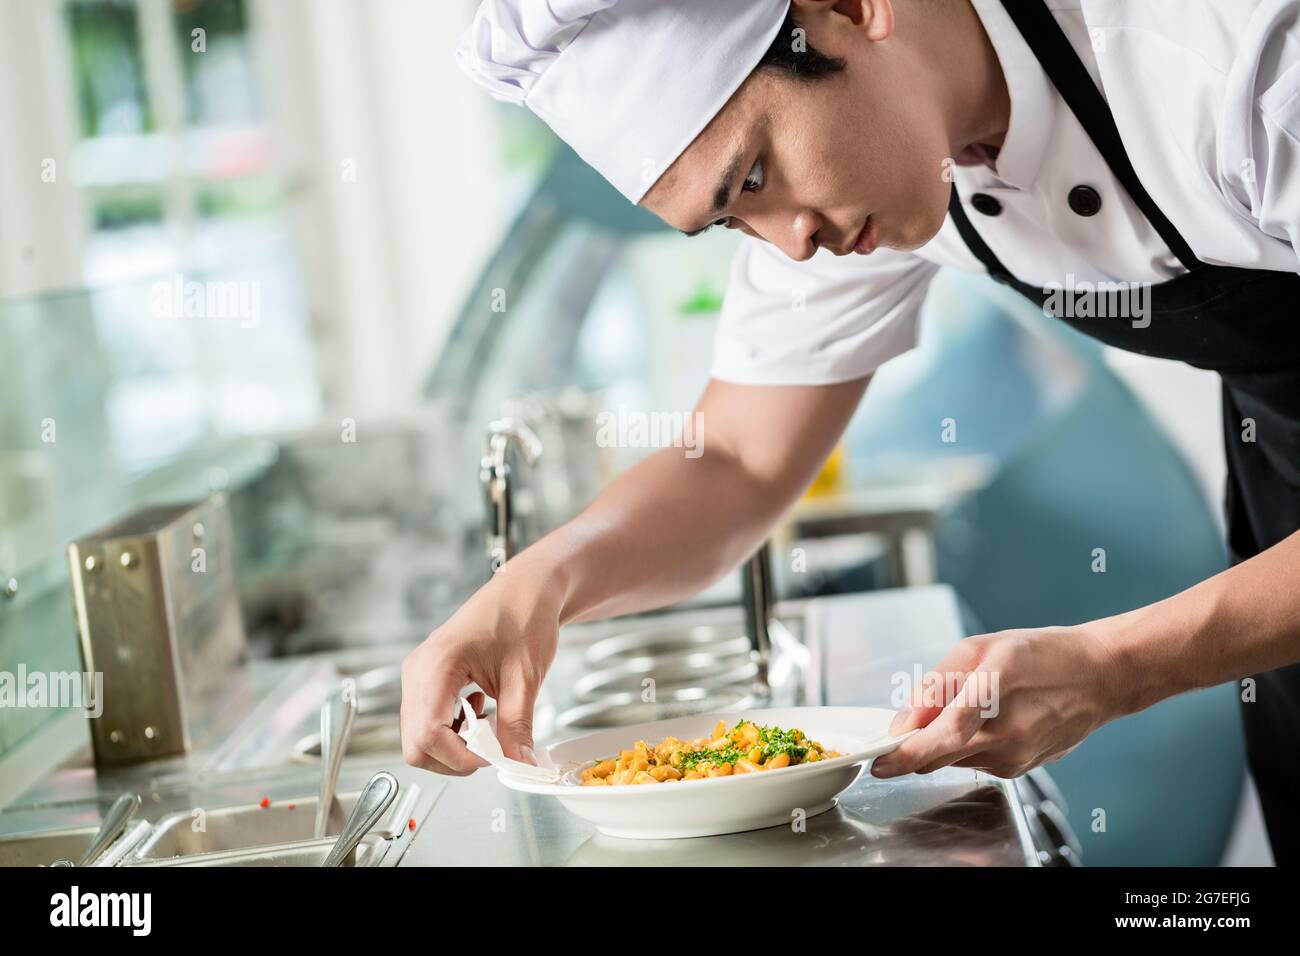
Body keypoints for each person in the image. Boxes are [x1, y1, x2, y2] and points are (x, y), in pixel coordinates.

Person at [402, 0, 1300, 863]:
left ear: (853, 7)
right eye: (731, 219)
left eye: (753, 173)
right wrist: (539, 584)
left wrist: (1118, 664)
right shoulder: (864, 165)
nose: (788, 245)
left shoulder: (1240, 62)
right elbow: (737, 459)